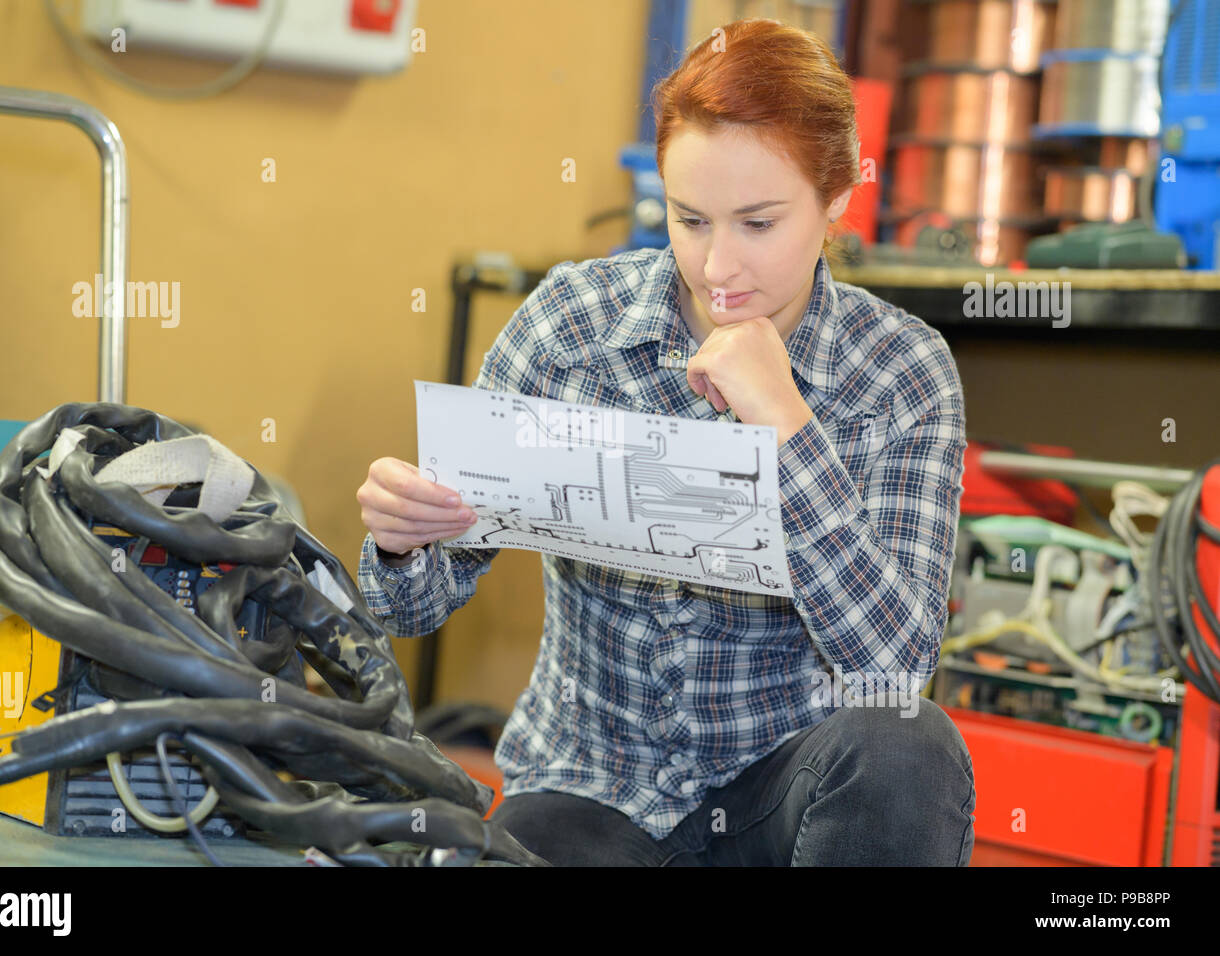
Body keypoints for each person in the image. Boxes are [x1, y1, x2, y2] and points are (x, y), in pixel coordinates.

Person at [355, 18, 975, 866]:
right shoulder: (572, 326)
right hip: (590, 785)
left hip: (779, 789)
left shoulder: (900, 370)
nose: (718, 267)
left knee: (910, 745)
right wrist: (399, 542)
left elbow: (892, 670)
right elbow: (409, 607)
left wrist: (787, 424)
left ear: (836, 197)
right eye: (690, 220)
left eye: (758, 224)